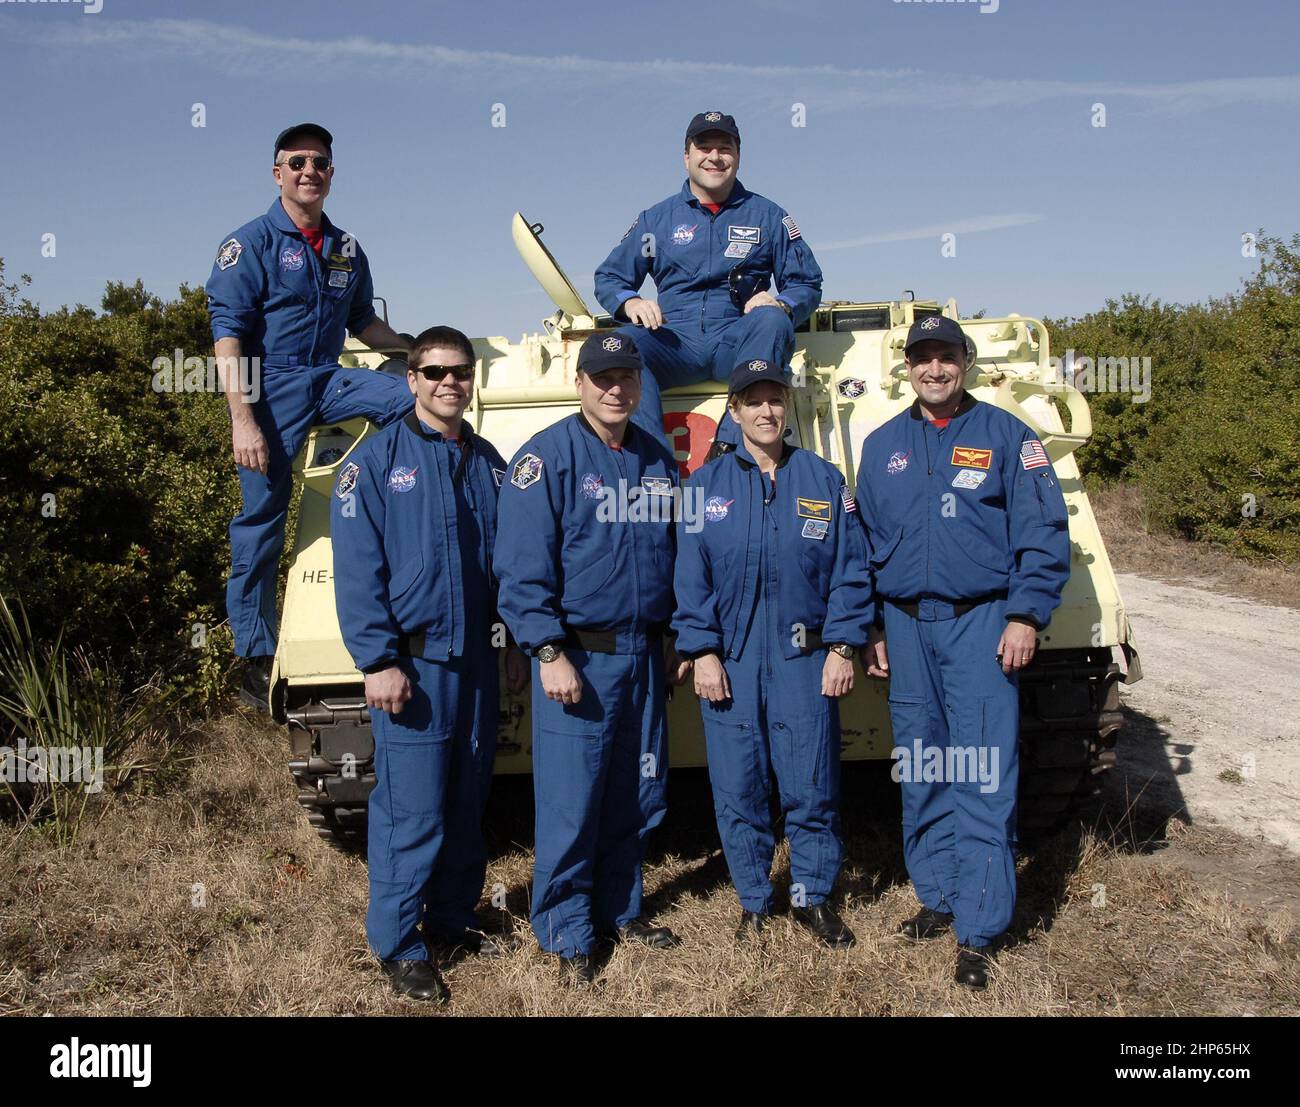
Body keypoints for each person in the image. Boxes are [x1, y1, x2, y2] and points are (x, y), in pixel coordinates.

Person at [855, 315, 1071, 989]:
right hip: (905, 624)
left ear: (966, 362)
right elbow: (863, 542)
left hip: (981, 622)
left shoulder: (1008, 436)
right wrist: (871, 627)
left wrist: (1026, 613)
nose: (935, 369)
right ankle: (938, 892)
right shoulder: (882, 443)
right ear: (908, 368)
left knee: (980, 771)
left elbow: (1043, 531)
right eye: (923, 358)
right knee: (923, 767)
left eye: (946, 357)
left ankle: (978, 927)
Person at [330, 325, 528, 1002]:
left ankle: (450, 916)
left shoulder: (490, 462)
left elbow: (506, 564)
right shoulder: (373, 463)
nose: (450, 382)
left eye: (461, 372)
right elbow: (358, 571)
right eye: (435, 371)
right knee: (410, 811)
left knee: (466, 801)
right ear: (411, 379)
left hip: (476, 657)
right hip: (412, 667)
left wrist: (512, 643)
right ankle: (398, 941)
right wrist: (379, 658)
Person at [493, 332, 691, 985]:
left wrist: (673, 637)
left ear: (638, 384)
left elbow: (677, 560)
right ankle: (567, 929)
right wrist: (546, 648)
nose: (615, 388)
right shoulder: (546, 459)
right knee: (572, 803)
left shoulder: (657, 462)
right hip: (577, 659)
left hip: (641, 658)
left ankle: (619, 910)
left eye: (626, 377)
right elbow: (521, 570)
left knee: (636, 795)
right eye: (602, 377)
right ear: (579, 383)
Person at [206, 122, 413, 710]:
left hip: (328, 375)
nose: (308, 171)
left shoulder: (346, 247)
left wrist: (410, 352)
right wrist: (242, 421)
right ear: (278, 173)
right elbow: (229, 338)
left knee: (412, 403)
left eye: (319, 162)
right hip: (270, 385)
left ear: (330, 174)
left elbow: (362, 324)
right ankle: (254, 652)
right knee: (262, 519)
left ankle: (374, 496)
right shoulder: (249, 244)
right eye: (296, 162)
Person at [673, 359, 872, 946]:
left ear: (787, 408)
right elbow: (689, 577)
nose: (766, 411)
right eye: (753, 401)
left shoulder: (823, 479)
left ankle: (813, 895)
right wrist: (702, 650)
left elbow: (851, 570)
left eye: (775, 400)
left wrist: (842, 645)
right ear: (732, 411)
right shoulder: (701, 488)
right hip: (730, 659)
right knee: (739, 788)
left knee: (810, 785)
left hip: (805, 658)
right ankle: (755, 899)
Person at [594, 111, 822, 454]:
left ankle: (732, 446)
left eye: (724, 148)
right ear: (687, 156)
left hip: (738, 342)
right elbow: (610, 276)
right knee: (623, 344)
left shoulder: (769, 217)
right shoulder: (656, 220)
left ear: (738, 156)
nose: (714, 157)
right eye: (704, 147)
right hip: (674, 342)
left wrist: (782, 304)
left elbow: (806, 282)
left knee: (773, 321)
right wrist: (631, 302)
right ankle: (649, 458)